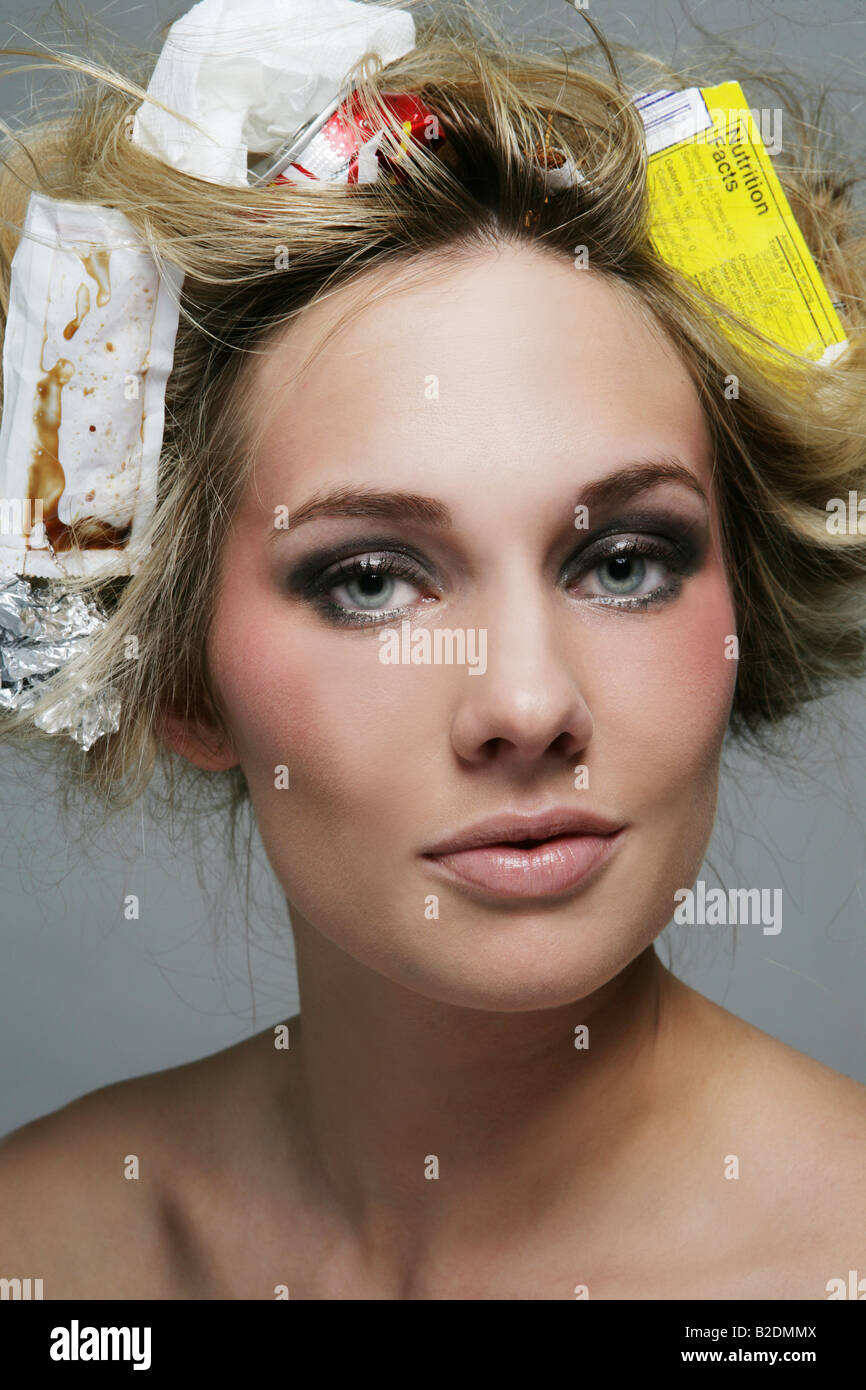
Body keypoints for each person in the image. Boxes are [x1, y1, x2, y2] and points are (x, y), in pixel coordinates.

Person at [0, 0, 864, 1299]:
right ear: (182, 674)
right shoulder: (40, 1256)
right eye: (367, 580)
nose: (526, 702)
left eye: (621, 560)